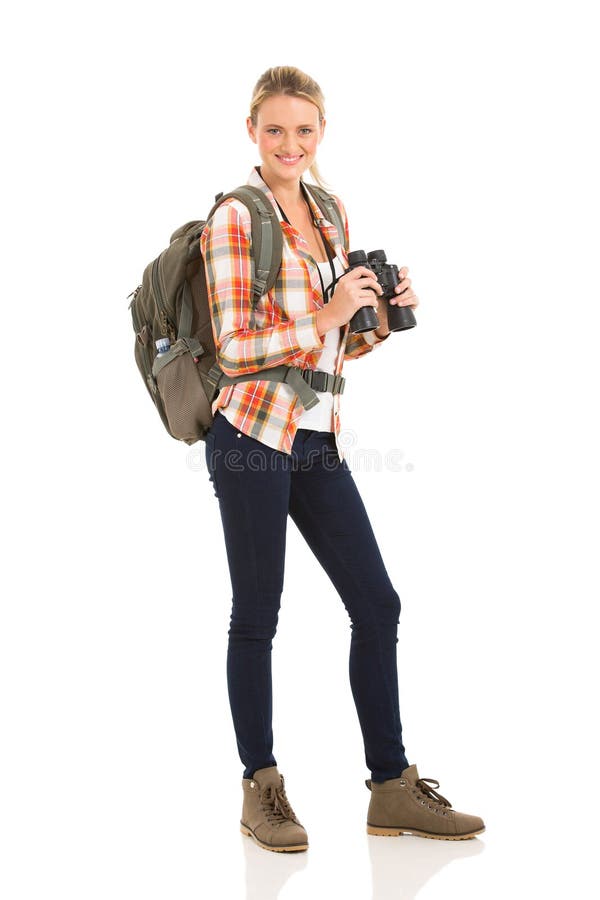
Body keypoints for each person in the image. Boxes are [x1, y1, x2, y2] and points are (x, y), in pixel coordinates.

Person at [200, 66, 485, 852]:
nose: (291, 144)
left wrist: (379, 316)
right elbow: (233, 348)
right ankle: (261, 788)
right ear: (253, 133)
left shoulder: (328, 209)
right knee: (257, 615)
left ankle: (390, 788)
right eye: (275, 130)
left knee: (378, 604)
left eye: (305, 130)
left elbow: (338, 345)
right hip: (253, 437)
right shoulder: (233, 218)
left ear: (320, 133)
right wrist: (325, 310)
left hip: (315, 435)